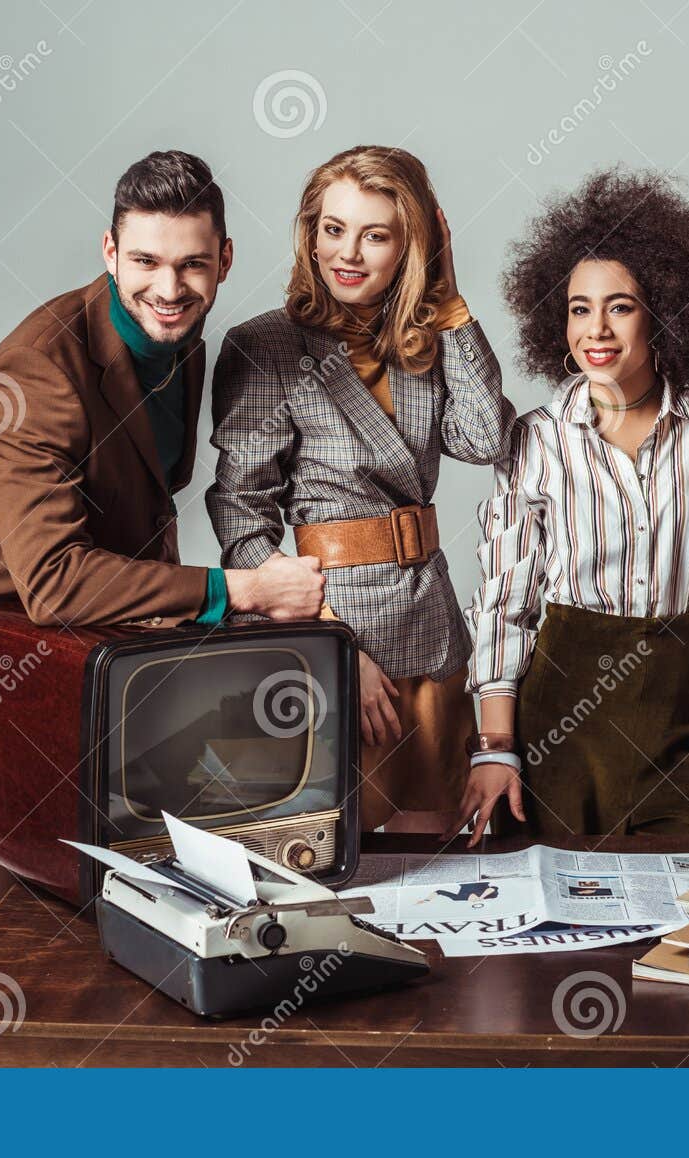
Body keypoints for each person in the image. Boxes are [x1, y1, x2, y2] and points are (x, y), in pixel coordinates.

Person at [0, 151, 325, 1066]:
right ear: (110, 251)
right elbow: (51, 580)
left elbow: (143, 502)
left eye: (192, 265)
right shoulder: (36, 371)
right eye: (147, 263)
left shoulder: (180, 338)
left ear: (224, 259)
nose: (169, 288)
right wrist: (237, 589)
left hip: (119, 688)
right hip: (11, 703)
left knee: (106, 963)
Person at [455, 168, 689, 845]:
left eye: (621, 307)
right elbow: (504, 600)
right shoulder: (535, 439)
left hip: (672, 725)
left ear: (664, 312)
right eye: (579, 308)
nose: (596, 329)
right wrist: (495, 749)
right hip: (552, 730)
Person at [206, 145, 513, 834]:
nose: (347, 253)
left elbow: (486, 439)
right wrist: (330, 642)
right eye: (333, 229)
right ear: (310, 234)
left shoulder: (423, 342)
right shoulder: (266, 346)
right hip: (329, 636)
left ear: (411, 247)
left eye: (375, 235)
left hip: (431, 629)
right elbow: (241, 520)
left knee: (435, 859)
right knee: (338, 859)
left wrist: (451, 305)